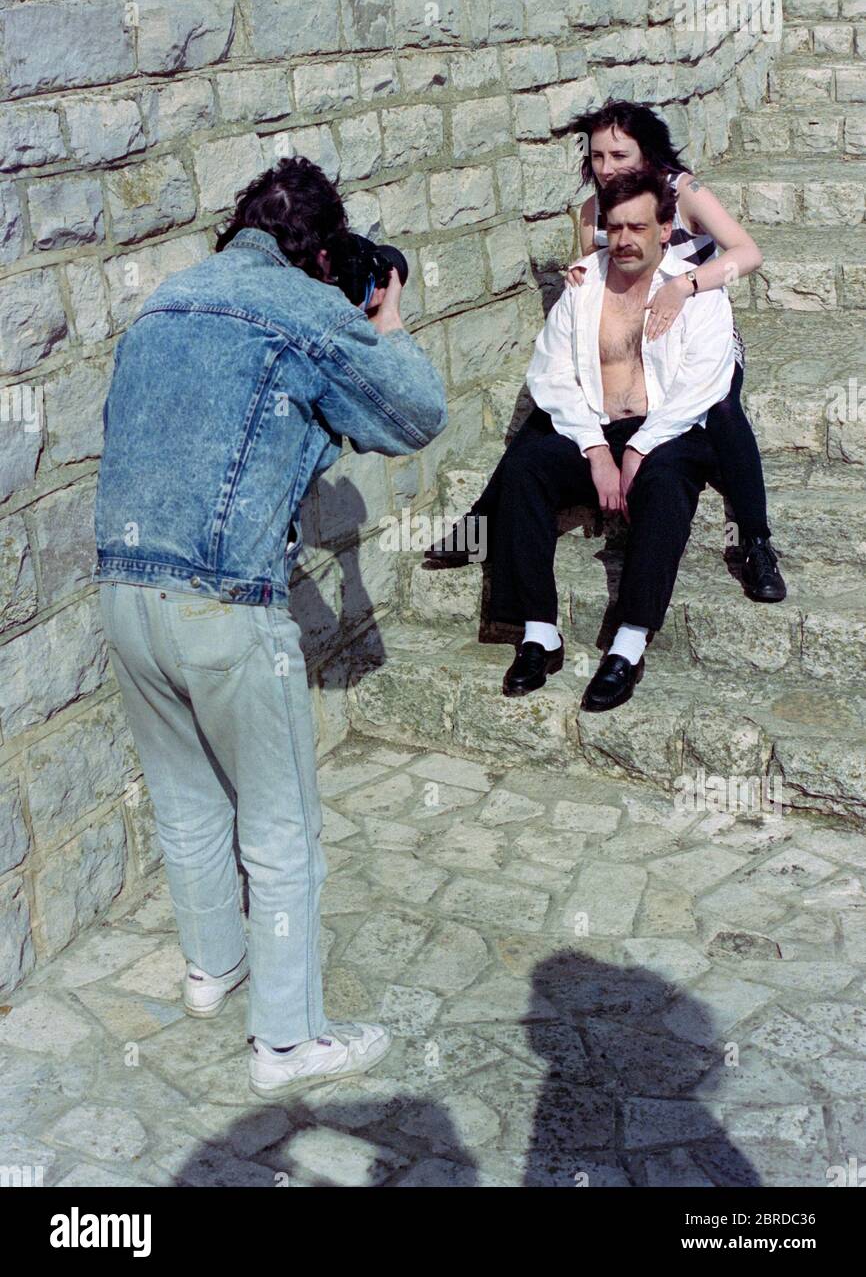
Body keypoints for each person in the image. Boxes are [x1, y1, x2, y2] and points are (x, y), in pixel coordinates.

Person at [92, 157, 447, 1099]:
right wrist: (388, 320)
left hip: (125, 592)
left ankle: (214, 971)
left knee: (187, 799)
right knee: (281, 827)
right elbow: (416, 413)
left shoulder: (166, 302)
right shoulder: (302, 308)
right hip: (225, 605)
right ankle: (287, 1046)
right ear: (322, 250)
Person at [427, 168, 737, 712]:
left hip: (667, 427)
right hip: (595, 423)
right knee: (525, 468)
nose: (623, 240)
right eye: (613, 227)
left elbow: (705, 382)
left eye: (637, 227)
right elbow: (550, 373)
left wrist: (642, 446)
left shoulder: (696, 289)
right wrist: (595, 449)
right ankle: (539, 633)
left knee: (667, 487)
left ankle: (629, 643)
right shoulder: (584, 285)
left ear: (665, 228)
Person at [566, 97, 785, 602]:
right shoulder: (591, 212)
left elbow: (748, 253)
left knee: (723, 407)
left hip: (698, 333)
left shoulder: (682, 191)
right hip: (634, 346)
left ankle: (755, 543)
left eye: (620, 155)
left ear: (647, 153)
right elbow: (596, 280)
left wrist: (684, 284)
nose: (607, 168)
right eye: (598, 157)